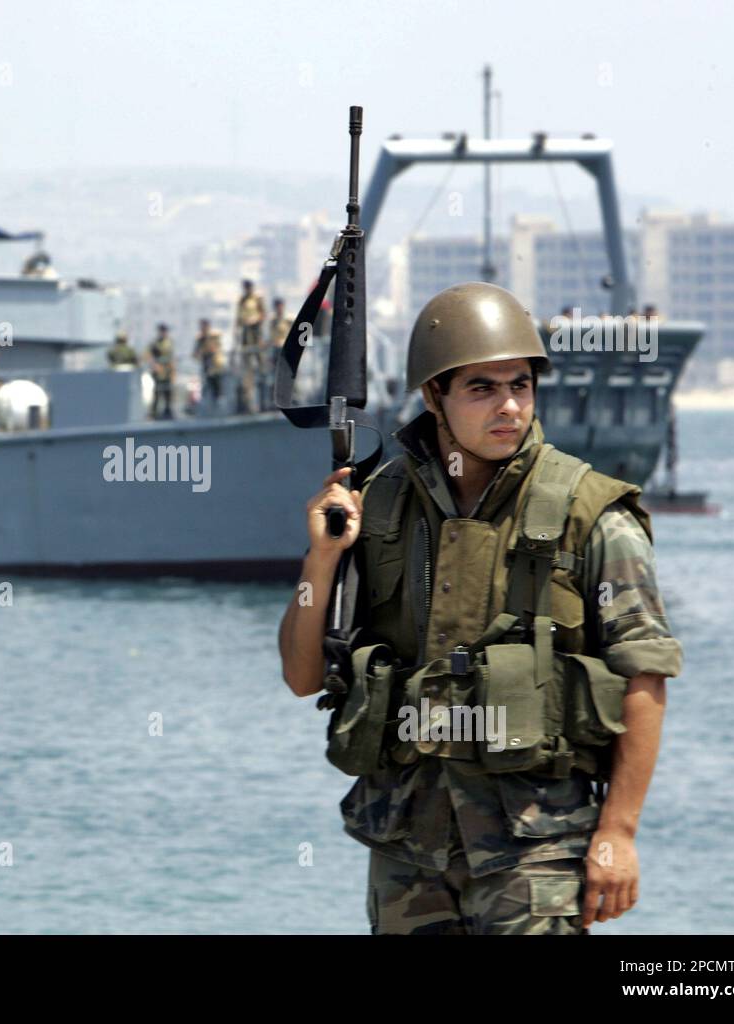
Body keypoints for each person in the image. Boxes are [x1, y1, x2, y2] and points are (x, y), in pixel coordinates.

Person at [277, 281, 683, 935]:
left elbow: (645, 677)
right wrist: (321, 560)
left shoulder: (591, 515)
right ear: (433, 395)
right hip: (408, 851)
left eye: (520, 385)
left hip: (536, 851)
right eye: (482, 388)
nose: (509, 407)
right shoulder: (378, 507)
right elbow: (301, 677)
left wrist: (619, 833)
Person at [236, 279, 267, 412]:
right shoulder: (242, 300)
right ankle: (248, 384)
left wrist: (254, 320)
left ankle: (263, 371)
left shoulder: (257, 299)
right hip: (245, 334)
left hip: (255, 332)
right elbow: (238, 318)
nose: (247, 289)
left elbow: (263, 314)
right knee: (246, 362)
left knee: (259, 358)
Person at [264, 297, 293, 410]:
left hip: (287, 350)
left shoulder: (289, 318)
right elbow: (268, 337)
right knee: (274, 377)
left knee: (290, 376)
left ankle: (292, 399)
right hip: (275, 351)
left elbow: (303, 332)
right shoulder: (272, 320)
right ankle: (275, 401)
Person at [192, 319, 226, 413]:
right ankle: (208, 406)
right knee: (207, 384)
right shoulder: (200, 339)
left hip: (215, 364)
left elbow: (217, 348)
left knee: (217, 383)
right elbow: (195, 354)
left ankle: (219, 402)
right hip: (206, 364)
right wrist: (200, 354)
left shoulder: (214, 337)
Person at [147, 324, 176, 420]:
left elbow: (171, 357)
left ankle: (168, 411)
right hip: (158, 370)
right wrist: (154, 366)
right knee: (157, 392)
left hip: (167, 370)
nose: (163, 333)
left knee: (168, 392)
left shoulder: (169, 342)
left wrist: (173, 371)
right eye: (162, 331)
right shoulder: (154, 343)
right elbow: (150, 356)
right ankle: (154, 412)